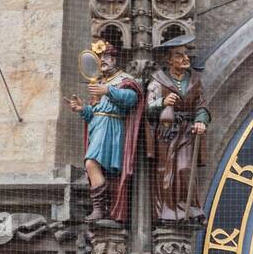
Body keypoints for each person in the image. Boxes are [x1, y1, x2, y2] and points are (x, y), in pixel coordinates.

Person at [66, 38, 144, 223]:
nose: (103, 60)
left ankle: (99, 208)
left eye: (107, 56)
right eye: (99, 57)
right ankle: (103, 207)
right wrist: (82, 109)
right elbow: (95, 112)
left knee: (91, 163)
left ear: (115, 59)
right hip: (98, 127)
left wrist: (107, 90)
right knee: (96, 167)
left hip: (112, 128)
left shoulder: (124, 80)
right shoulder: (100, 82)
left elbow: (132, 98)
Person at [145, 34, 210, 221]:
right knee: (166, 172)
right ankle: (168, 211)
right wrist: (162, 102)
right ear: (169, 60)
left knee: (185, 168)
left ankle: (189, 208)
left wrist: (201, 120)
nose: (185, 58)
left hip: (188, 132)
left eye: (186, 54)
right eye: (179, 55)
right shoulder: (158, 81)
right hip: (167, 132)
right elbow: (148, 109)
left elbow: (202, 105)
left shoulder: (195, 80)